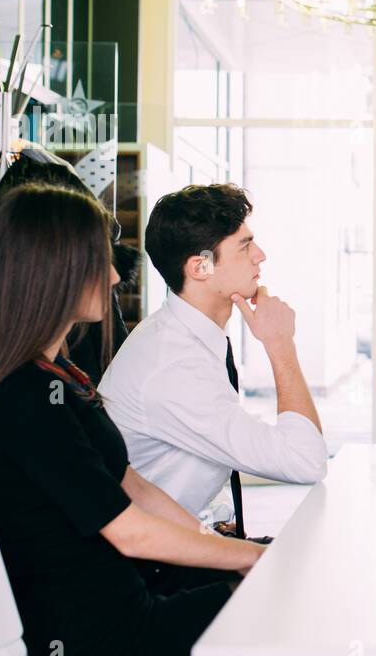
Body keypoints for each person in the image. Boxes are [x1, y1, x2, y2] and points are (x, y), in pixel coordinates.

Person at [0, 183, 263, 656]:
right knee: (293, 608)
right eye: (100, 262)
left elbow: (135, 487)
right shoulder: (24, 399)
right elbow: (131, 532)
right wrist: (248, 559)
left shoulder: (61, 374)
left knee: (283, 584)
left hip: (130, 600)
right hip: (104, 651)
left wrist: (231, 549)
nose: (115, 276)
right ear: (54, 271)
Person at [99, 184, 327, 546]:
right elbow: (306, 462)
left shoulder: (185, 337)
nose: (261, 256)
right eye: (245, 246)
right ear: (200, 267)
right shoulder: (172, 366)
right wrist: (280, 345)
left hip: (195, 534)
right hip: (156, 564)